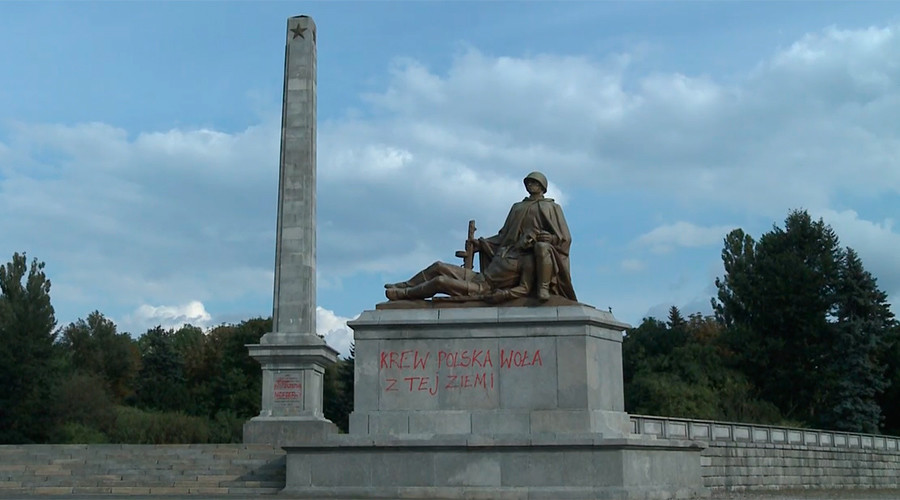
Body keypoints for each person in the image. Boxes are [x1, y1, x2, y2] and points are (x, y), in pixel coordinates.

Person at [384, 171, 577, 303]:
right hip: (481, 277)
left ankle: (403, 294)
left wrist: (549, 240)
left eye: (535, 182)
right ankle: (405, 284)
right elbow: (504, 235)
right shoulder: (515, 216)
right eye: (528, 182)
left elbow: (563, 237)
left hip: (485, 286)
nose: (530, 185)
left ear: (543, 186)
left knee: (440, 281)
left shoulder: (550, 210)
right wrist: (481, 243)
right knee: (438, 266)